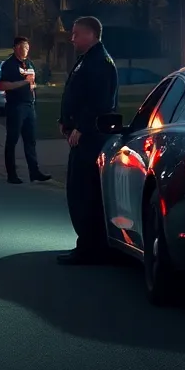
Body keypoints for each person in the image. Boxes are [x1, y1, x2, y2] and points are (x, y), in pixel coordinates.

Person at [56, 16, 119, 265]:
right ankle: (88, 244)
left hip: (91, 138)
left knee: (86, 193)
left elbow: (99, 102)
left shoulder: (100, 63)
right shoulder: (87, 60)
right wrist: (65, 120)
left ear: (92, 34)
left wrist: (81, 128)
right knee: (78, 191)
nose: (72, 39)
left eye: (76, 34)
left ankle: (91, 247)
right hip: (81, 135)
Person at [0, 36, 52, 184]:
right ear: (15, 48)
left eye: (26, 47)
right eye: (21, 47)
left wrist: (32, 86)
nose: (24, 50)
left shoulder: (29, 63)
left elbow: (32, 83)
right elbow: (2, 85)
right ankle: (11, 174)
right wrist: (23, 83)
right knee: (12, 140)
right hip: (15, 106)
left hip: (29, 105)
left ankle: (34, 172)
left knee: (30, 141)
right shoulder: (9, 65)